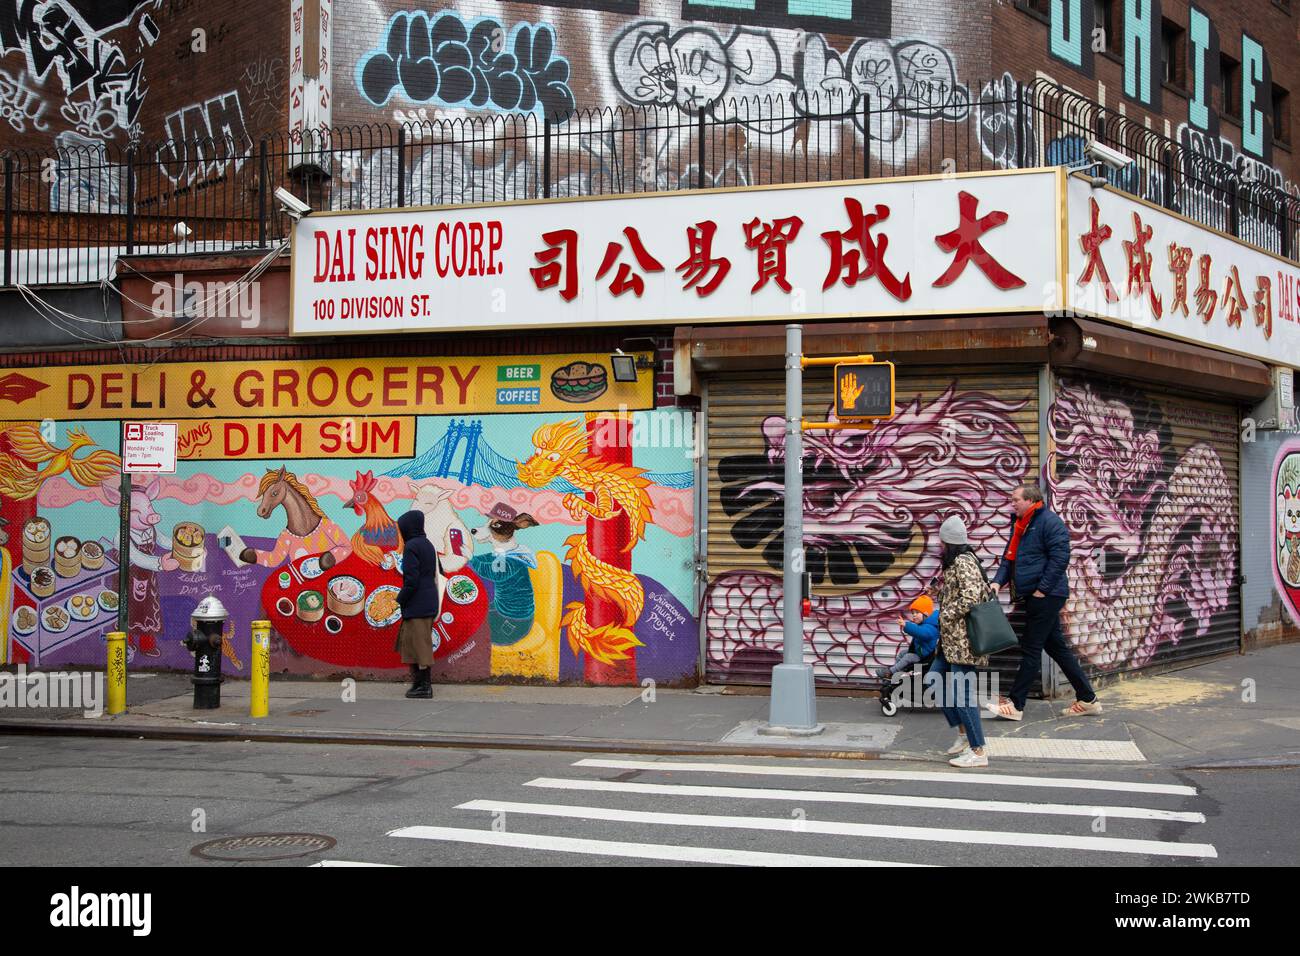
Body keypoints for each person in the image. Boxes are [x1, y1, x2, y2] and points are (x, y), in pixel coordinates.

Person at [987, 483, 1101, 720]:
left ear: (1030, 500)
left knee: (1031, 648)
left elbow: (1061, 558)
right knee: (1056, 648)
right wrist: (998, 582)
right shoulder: (1021, 524)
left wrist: (1042, 590)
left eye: (1015, 499)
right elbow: (1010, 558)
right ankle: (1087, 698)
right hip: (1035, 595)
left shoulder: (1049, 522)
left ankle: (1016, 705)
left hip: (1046, 596)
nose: (1012, 503)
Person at [932, 515, 991, 768]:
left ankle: (978, 752)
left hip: (963, 642)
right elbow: (960, 593)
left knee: (964, 695)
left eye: (942, 542)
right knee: (933, 679)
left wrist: (945, 612)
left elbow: (971, 598)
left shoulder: (964, 562)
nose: (939, 546)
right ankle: (965, 735)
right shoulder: (956, 563)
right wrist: (938, 593)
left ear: (949, 542)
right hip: (950, 643)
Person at [394, 509, 442, 700]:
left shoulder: (412, 546)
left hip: (417, 602)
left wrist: (400, 599)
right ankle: (419, 684)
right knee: (416, 644)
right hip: (428, 600)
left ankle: (424, 687)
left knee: (419, 646)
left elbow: (411, 580)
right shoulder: (428, 544)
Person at [874, 596, 939, 682]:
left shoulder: (930, 628)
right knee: (902, 653)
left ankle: (891, 672)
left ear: (926, 614)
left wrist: (906, 625)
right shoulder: (925, 624)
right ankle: (899, 671)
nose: (914, 615)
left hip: (925, 657)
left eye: (917, 613)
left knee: (908, 656)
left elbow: (920, 632)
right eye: (912, 613)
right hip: (920, 652)